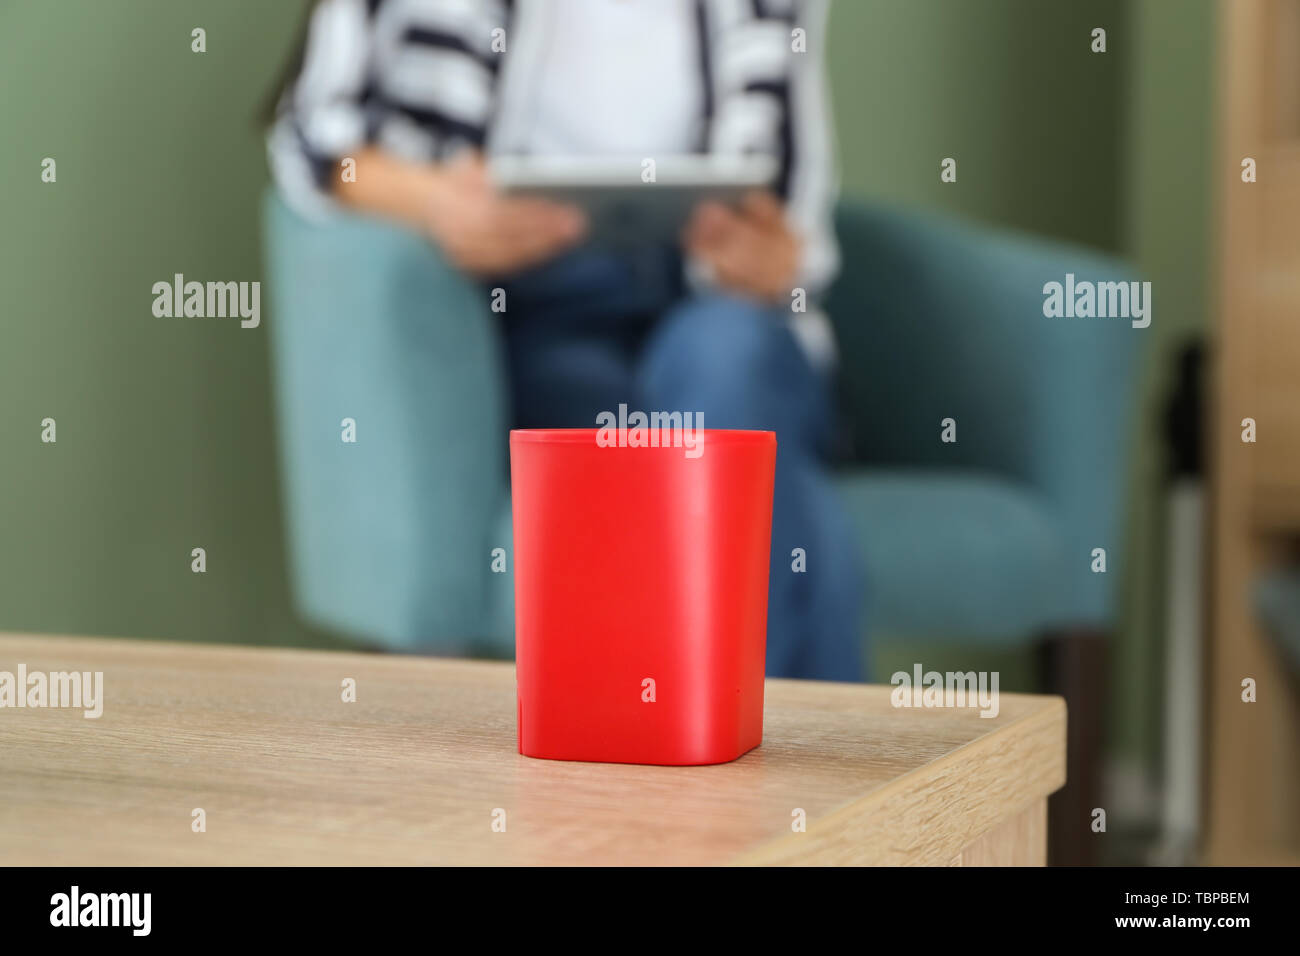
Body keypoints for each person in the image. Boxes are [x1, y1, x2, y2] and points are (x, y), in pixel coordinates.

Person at [268, 0, 863, 680]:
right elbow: (315, 148)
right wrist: (436, 201)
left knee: (730, 368)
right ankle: (769, 759)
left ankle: (703, 748)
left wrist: (777, 259)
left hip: (719, 301)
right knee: (721, 495)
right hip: (536, 303)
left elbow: (803, 234)